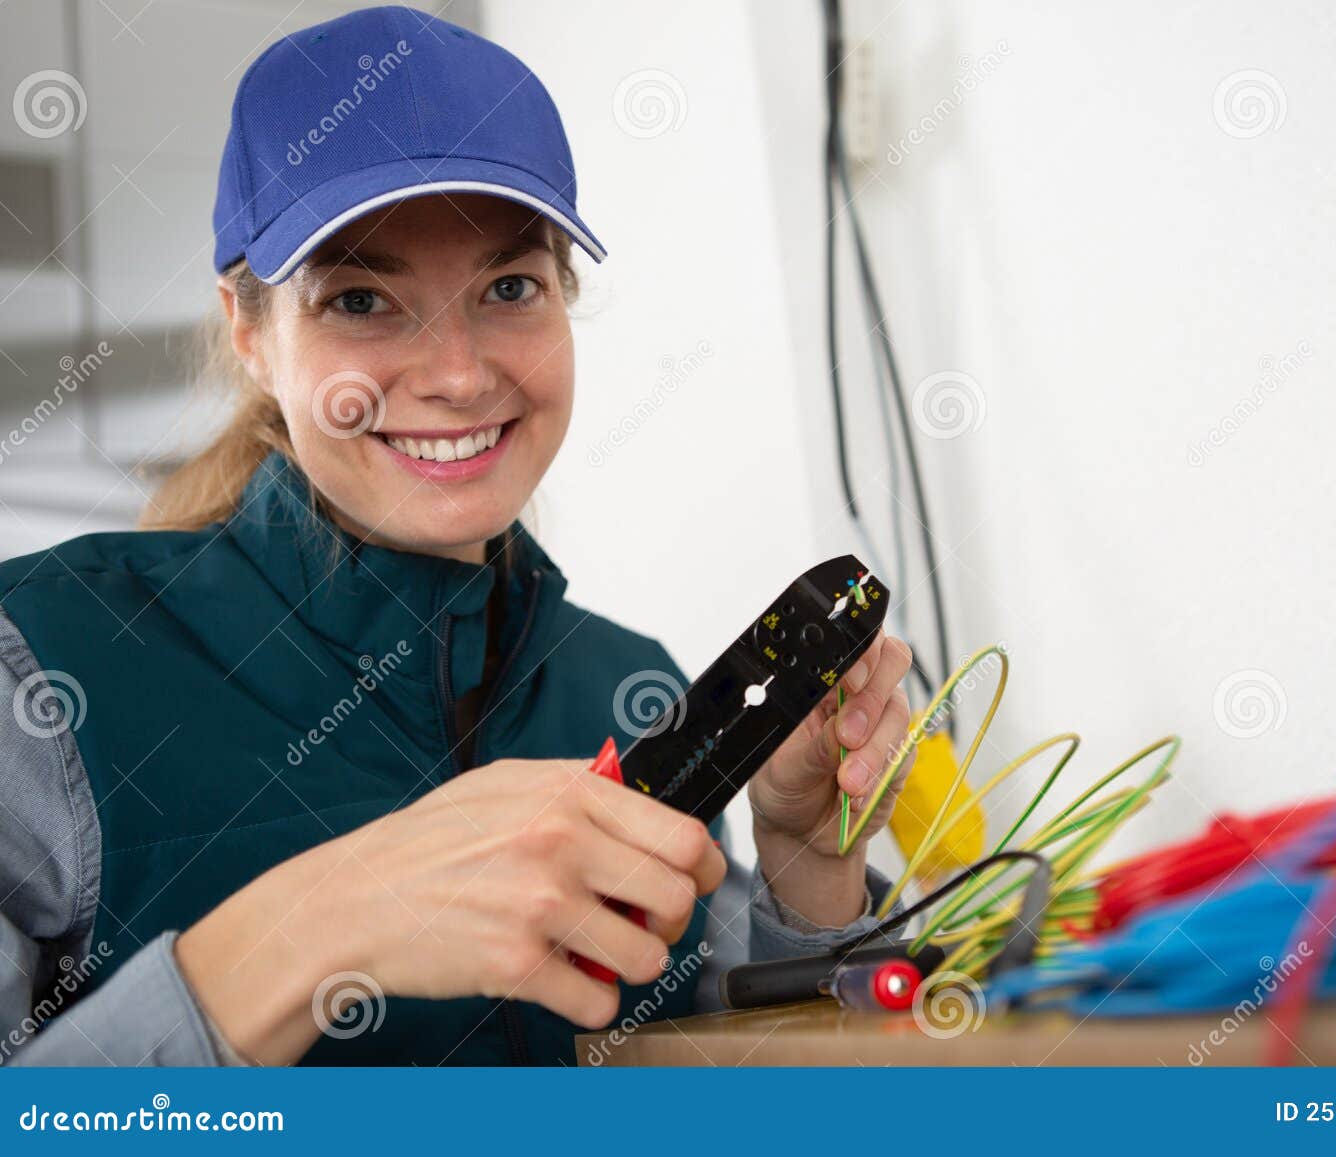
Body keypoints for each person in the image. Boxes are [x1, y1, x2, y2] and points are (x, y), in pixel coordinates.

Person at [0, 5, 915, 1066]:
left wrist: (807, 863)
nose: (458, 374)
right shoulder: (39, 670)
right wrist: (322, 920)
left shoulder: (630, 689)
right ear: (249, 331)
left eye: (510, 287)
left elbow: (762, 1100)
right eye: (360, 298)